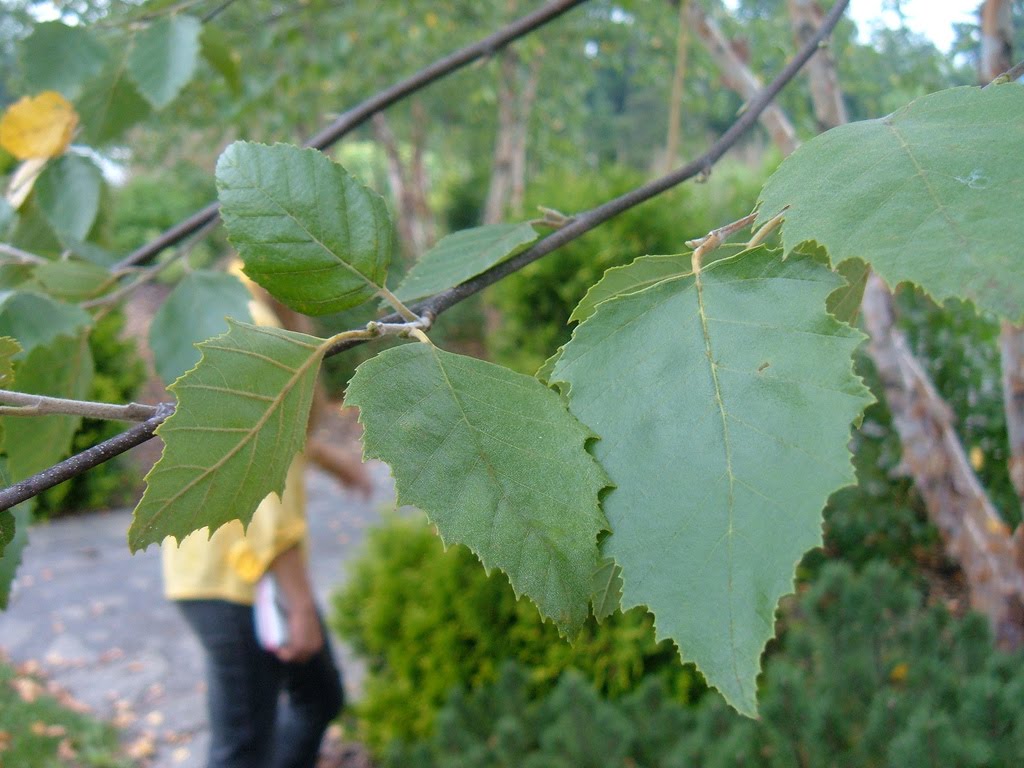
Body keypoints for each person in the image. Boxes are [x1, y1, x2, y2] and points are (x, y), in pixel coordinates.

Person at [162, 455, 345, 768]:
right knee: (242, 748)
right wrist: (301, 607)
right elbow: (267, 508)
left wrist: (334, 462)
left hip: (219, 570)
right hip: (237, 582)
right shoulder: (272, 413)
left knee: (318, 696)